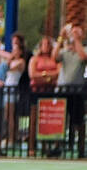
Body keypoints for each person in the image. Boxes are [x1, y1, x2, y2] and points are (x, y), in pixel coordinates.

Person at [54, 22, 86, 155]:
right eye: (73, 32)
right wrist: (61, 38)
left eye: (77, 32)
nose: (74, 34)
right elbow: (54, 57)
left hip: (77, 90)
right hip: (62, 89)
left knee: (78, 120)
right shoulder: (64, 51)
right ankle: (57, 147)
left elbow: (84, 57)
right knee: (60, 119)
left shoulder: (83, 49)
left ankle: (80, 148)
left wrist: (77, 40)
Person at [28, 34, 59, 156]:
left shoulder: (54, 58)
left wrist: (44, 76)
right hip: (36, 91)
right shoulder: (34, 59)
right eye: (44, 44)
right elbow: (33, 75)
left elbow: (58, 73)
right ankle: (32, 147)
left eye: (48, 44)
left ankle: (49, 147)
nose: (46, 46)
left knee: (49, 120)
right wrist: (48, 76)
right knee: (34, 119)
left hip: (51, 92)